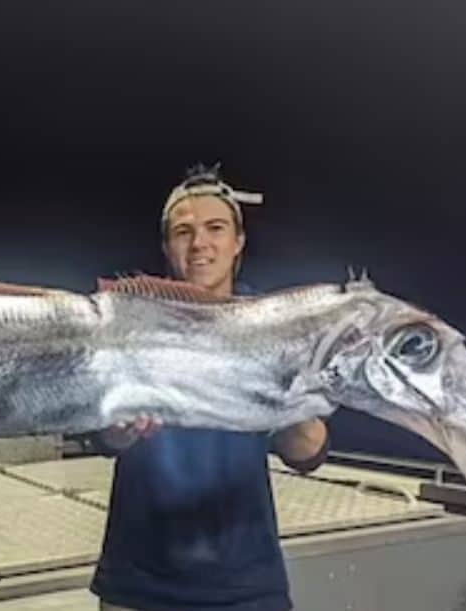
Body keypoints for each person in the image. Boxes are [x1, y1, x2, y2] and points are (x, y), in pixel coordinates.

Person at [88, 165, 330, 611]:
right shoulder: (128, 322)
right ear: (167, 248)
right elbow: (102, 435)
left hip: (246, 588)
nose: (200, 243)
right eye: (184, 232)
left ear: (238, 242)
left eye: (215, 228)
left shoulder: (275, 326)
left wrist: (294, 405)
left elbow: (308, 452)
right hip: (137, 586)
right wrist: (116, 431)